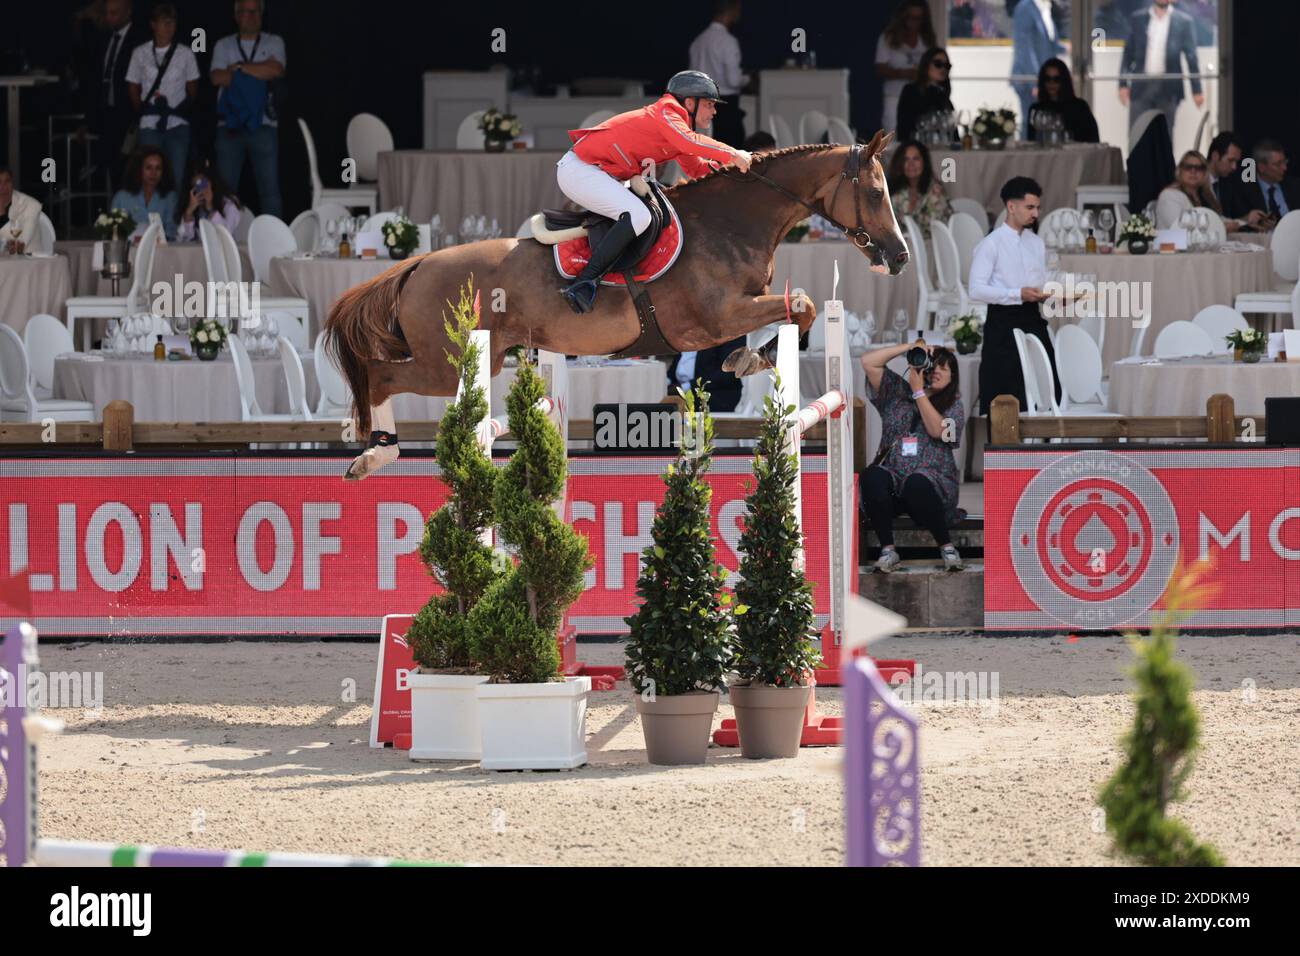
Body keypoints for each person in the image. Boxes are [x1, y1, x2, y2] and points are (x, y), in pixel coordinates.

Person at [556, 70, 751, 314]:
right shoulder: (667, 112)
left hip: (597, 173)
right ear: (690, 102)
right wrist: (732, 153)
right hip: (579, 170)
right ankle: (584, 283)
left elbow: (697, 169)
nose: (714, 111)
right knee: (639, 215)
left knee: (645, 212)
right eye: (710, 104)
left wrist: (734, 172)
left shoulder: (679, 128)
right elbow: (689, 142)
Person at [859, 340, 965, 572]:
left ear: (953, 376)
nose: (936, 371)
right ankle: (888, 550)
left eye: (943, 368)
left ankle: (947, 547)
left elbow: (939, 431)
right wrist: (910, 348)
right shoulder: (896, 393)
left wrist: (919, 392)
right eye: (933, 365)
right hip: (894, 482)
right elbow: (869, 362)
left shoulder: (953, 405)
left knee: (916, 482)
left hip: (933, 488)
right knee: (872, 476)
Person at [971, 176, 1059, 415]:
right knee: (1005, 394)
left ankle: (1044, 447)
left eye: (1038, 208)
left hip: (1033, 319)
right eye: (1030, 207)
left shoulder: (1037, 243)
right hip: (1002, 324)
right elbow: (976, 289)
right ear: (1011, 206)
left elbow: (1040, 281)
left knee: (1047, 386)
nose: (1036, 214)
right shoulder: (991, 244)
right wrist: (1016, 293)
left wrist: (1053, 293)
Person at [210, 0, 287, 217]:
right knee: (225, 192)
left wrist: (239, 68)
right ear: (235, 15)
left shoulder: (274, 42)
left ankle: (275, 242)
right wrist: (258, 71)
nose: (250, 16)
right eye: (244, 12)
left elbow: (276, 70)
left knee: (269, 191)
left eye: (254, 11)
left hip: (264, 124)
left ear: (262, 14)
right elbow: (217, 77)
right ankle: (223, 242)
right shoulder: (223, 45)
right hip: (229, 125)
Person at [126, 3, 199, 198]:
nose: (168, 27)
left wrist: (179, 107)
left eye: (172, 22)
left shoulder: (185, 54)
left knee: (176, 176)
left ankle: (173, 223)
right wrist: (145, 110)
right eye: (163, 22)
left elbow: (192, 89)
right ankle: (151, 223)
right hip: (150, 123)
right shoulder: (140, 53)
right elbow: (133, 86)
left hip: (177, 123)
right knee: (149, 177)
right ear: (153, 25)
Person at [1118, 0, 1203, 140]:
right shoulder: (1138, 19)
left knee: (1165, 137)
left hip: (1168, 87)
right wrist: (1122, 84)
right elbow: (1128, 54)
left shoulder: (1183, 21)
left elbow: (1191, 57)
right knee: (1137, 136)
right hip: (1141, 86)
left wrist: (1197, 89)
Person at [90, 0, 148, 188]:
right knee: (110, 169)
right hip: (107, 113)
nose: (109, 17)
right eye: (107, 13)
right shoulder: (103, 38)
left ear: (127, 12)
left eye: (114, 13)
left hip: (129, 113)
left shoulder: (141, 39)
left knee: (130, 169)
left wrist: (139, 114)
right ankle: (115, 213)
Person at [688, 0, 748, 147]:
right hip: (726, 110)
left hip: (700, 107)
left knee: (707, 156)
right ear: (732, 10)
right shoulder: (728, 41)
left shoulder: (698, 42)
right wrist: (748, 79)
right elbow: (733, 80)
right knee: (731, 159)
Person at [1153, 150, 1256, 234]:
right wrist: (1221, 228)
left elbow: (1220, 220)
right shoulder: (1169, 195)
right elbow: (1179, 227)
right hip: (1172, 254)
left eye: (1199, 168)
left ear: (1205, 173)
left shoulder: (1205, 195)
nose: (1193, 171)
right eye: (1188, 167)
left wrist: (1247, 222)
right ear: (1180, 170)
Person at [876, 1, 935, 136]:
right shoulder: (888, 38)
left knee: (921, 134)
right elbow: (880, 68)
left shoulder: (927, 39)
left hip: (921, 96)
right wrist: (903, 73)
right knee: (893, 136)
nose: (913, 23)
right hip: (895, 96)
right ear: (902, 17)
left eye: (918, 18)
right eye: (910, 17)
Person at [1011, 0, 1065, 138]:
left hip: (1046, 79)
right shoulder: (1025, 8)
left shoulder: (1045, 8)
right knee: (1030, 123)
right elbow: (1025, 49)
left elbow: (1048, 41)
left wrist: (1066, 49)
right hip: (1028, 79)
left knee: (1044, 123)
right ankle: (1026, 158)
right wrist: (1035, 81)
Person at [1225, 140, 1300, 227]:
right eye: (1278, 164)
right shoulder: (1243, 192)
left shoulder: (1295, 186)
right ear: (1262, 167)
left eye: (1285, 162)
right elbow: (1239, 223)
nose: (1284, 167)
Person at [887, 139, 952, 239]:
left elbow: (932, 230)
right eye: (906, 159)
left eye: (916, 159)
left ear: (924, 162)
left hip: (934, 246)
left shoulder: (936, 191)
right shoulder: (896, 191)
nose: (911, 164)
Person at [110, 145, 177, 240]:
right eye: (148, 168)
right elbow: (113, 230)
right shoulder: (121, 197)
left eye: (158, 168)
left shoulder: (170, 197)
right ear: (138, 169)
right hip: (129, 250)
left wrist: (162, 236)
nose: (153, 173)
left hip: (160, 249)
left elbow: (172, 227)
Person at [667, 336, 745, 412]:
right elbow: (672, 373)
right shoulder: (685, 341)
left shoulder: (728, 336)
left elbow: (727, 374)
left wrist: (685, 387)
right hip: (684, 396)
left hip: (715, 397)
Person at [175, 158, 243, 242]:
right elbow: (182, 241)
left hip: (225, 252)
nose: (202, 190)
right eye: (196, 186)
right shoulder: (194, 204)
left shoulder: (229, 205)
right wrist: (188, 213)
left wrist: (210, 207)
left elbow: (224, 237)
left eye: (203, 184)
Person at [1032, 58, 1099, 143]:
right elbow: (1032, 143)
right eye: (1047, 79)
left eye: (1056, 79)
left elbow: (1092, 141)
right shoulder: (1037, 110)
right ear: (1042, 81)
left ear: (1064, 81)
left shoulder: (1079, 108)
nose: (1051, 83)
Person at [896, 48, 954, 145]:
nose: (943, 69)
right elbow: (904, 126)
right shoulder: (911, 90)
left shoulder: (942, 94)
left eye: (947, 66)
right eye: (938, 64)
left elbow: (951, 127)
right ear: (926, 65)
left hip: (941, 148)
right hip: (917, 147)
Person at [0, 167, 42, 253]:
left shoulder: (31, 205)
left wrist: (1, 214)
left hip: (27, 262)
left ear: (12, 183)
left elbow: (19, 245)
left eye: (7, 181)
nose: (3, 187)